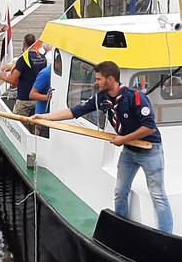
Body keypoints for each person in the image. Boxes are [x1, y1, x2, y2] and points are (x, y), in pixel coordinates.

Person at [32, 61, 173, 234]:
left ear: (110, 79)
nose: (95, 82)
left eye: (99, 79)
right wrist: (44, 117)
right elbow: (73, 112)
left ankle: (166, 236)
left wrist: (123, 139)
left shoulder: (135, 97)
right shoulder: (102, 99)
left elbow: (149, 127)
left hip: (150, 150)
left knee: (157, 194)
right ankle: (122, 230)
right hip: (129, 151)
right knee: (120, 191)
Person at [0, 34, 47, 118]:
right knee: (35, 122)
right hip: (38, 98)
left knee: (18, 123)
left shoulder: (23, 59)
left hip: (24, 99)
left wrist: (2, 76)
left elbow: (12, 79)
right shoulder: (42, 57)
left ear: (24, 43)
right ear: (34, 43)